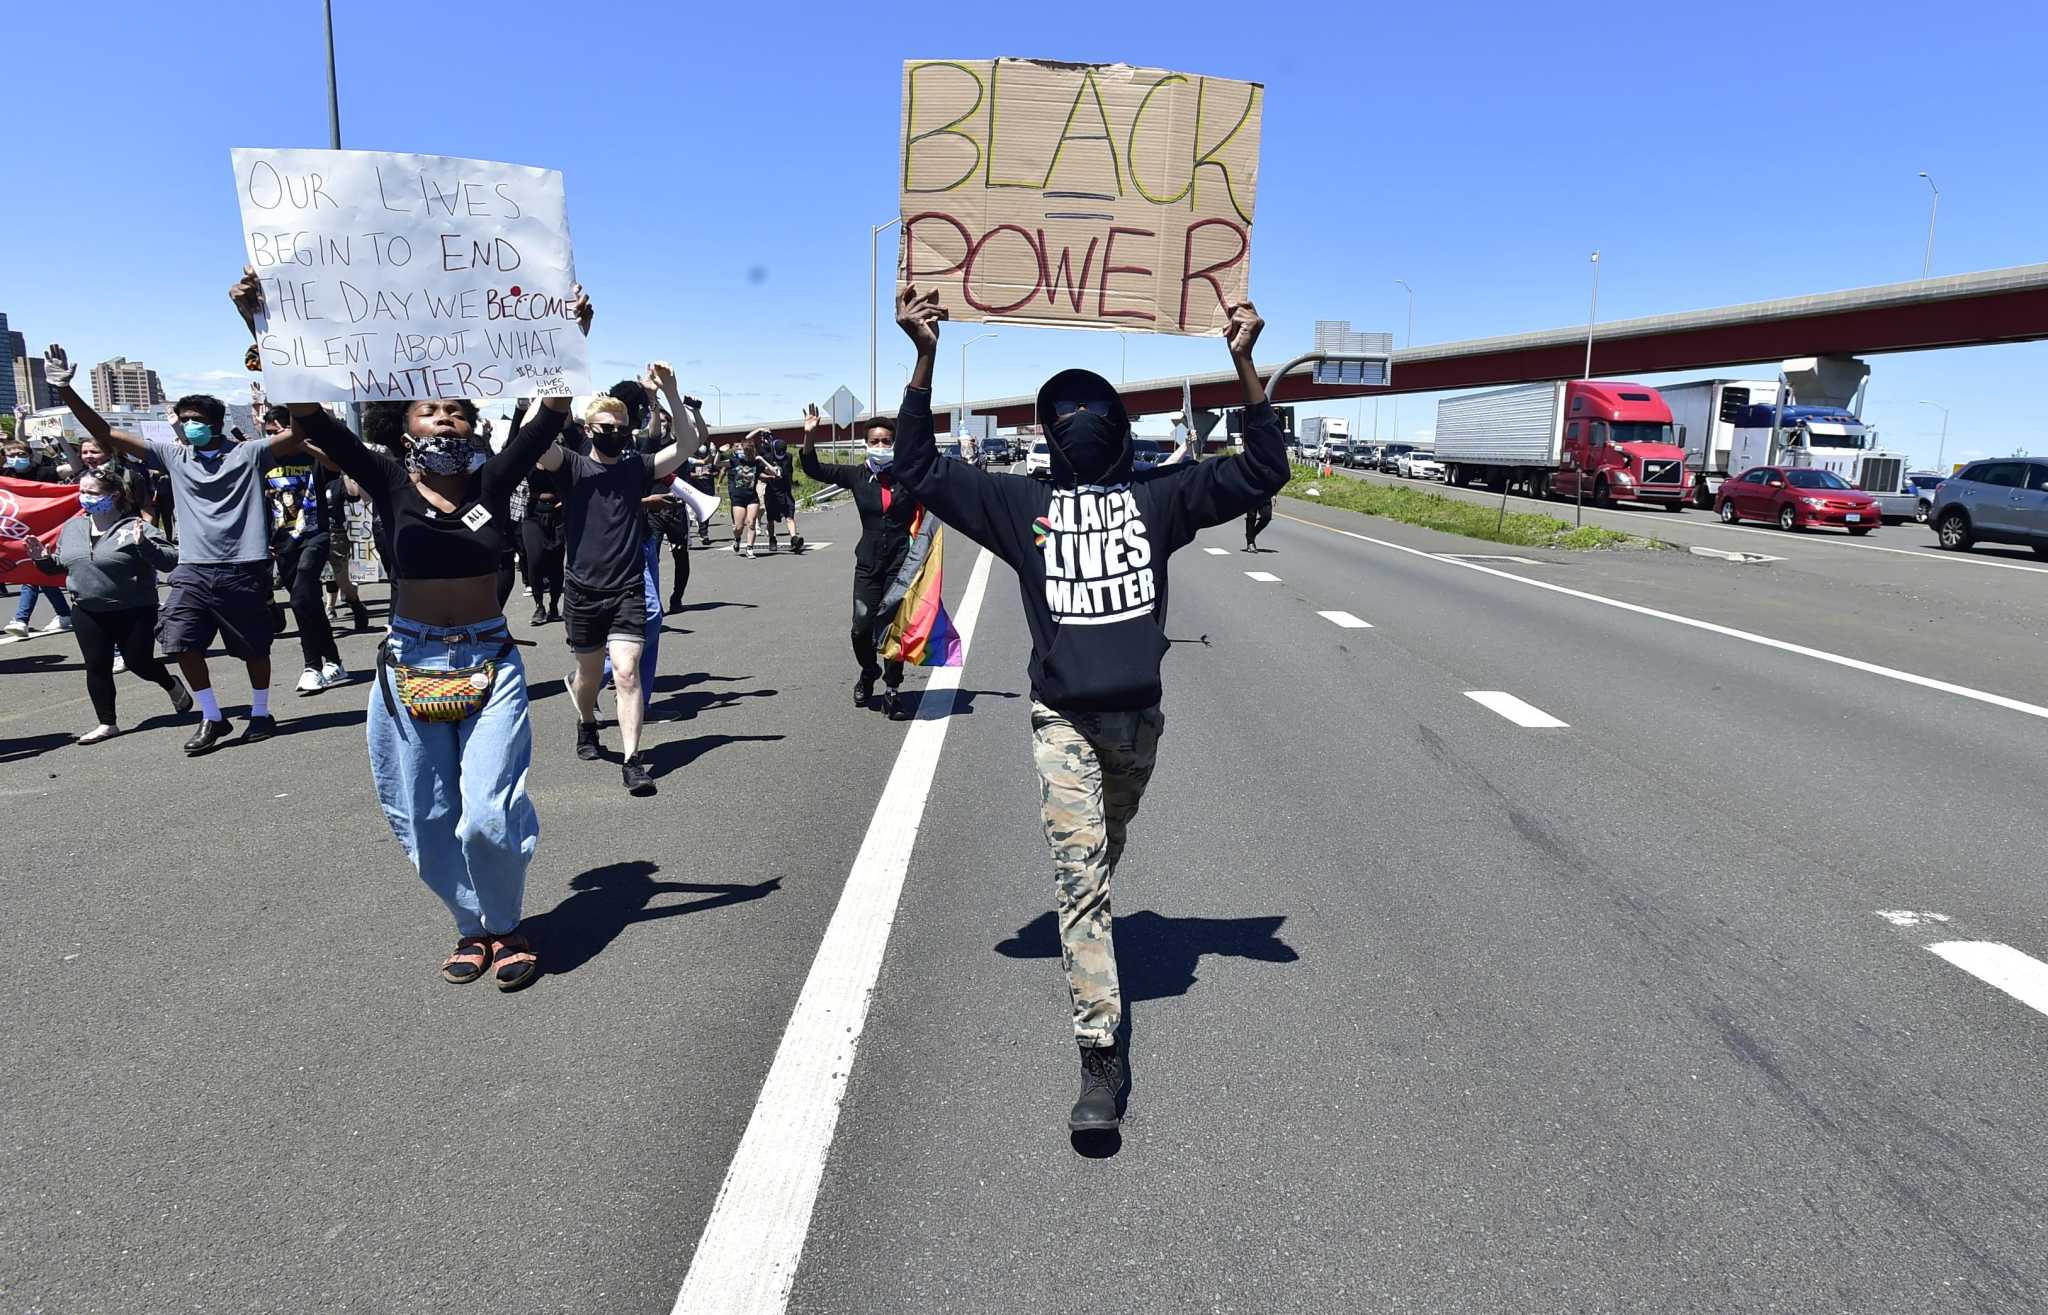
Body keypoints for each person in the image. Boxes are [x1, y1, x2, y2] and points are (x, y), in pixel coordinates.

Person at [890, 284, 1285, 1134]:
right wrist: (923, 358)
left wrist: (1244, 362)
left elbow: (1263, 470)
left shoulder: (1159, 501)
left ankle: (1095, 933)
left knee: (1102, 860)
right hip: (1061, 725)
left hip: (1138, 727)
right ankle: (1100, 1057)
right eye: (1065, 414)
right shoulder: (1020, 508)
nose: (1081, 424)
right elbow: (919, 468)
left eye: (1091, 411)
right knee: (1080, 882)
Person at [240, 267, 594, 991]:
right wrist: (263, 325)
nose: (446, 419)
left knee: (488, 813)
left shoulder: (495, 482)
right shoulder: (385, 479)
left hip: (490, 664)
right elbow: (312, 418)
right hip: (410, 665)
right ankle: (475, 925)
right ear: (402, 427)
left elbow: (552, 411)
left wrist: (569, 330)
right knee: (428, 816)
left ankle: (506, 921)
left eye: (459, 413)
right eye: (431, 411)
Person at [46, 345, 294, 753]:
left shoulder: (250, 454)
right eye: (184, 420)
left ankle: (261, 712)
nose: (188, 426)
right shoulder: (173, 456)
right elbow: (106, 433)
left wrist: (296, 375)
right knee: (179, 642)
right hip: (192, 569)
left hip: (243, 566)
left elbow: (301, 433)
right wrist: (65, 390)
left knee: (253, 647)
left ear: (216, 424)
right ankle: (213, 717)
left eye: (196, 420)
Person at [534, 392, 699, 795]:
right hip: (583, 591)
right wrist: (546, 384)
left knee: (626, 673)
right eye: (606, 428)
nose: (615, 434)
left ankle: (632, 760)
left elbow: (689, 444)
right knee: (589, 676)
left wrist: (671, 392)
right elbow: (536, 442)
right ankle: (587, 723)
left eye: (621, 428)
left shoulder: (637, 468)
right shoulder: (572, 466)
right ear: (590, 429)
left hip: (627, 588)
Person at [24, 462, 192, 742]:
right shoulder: (73, 527)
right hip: (87, 609)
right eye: (81, 491)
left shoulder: (135, 526)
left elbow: (169, 561)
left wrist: (144, 545)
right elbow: (61, 567)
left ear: (113, 495)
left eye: (91, 492)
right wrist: (42, 558)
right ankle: (107, 723)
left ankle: (171, 684)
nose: (85, 496)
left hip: (134, 608)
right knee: (97, 665)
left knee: (138, 662)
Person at [800, 404, 916, 720]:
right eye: (875, 441)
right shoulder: (857, 475)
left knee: (894, 631)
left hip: (901, 565)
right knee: (860, 629)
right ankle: (869, 671)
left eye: (886, 441)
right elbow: (813, 469)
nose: (881, 446)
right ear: (865, 444)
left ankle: (893, 691)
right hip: (867, 564)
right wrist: (809, 437)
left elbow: (943, 493)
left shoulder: (908, 477)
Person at [261, 407, 350, 694]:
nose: (272, 439)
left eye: (276, 433)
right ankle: (334, 661)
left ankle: (311, 666)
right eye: (268, 434)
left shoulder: (311, 454)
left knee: (300, 600)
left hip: (315, 536)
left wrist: (301, 442)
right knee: (308, 602)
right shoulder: (264, 458)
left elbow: (337, 466)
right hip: (281, 543)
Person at [3, 436, 74, 636]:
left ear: (30, 456)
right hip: (14, 533)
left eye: (21, 454)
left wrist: (62, 441)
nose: (16, 458)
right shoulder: (5, 475)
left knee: (31, 570)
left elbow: (73, 467)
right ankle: (64, 614)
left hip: (44, 533)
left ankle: (21, 619)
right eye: (11, 455)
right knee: (42, 575)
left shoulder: (43, 473)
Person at [727, 432, 766, 557]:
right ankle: (737, 539)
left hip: (752, 497)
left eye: (743, 449)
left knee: (751, 523)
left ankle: (750, 548)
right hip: (738, 498)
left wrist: (762, 459)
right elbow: (717, 463)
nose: (740, 451)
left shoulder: (756, 463)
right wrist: (717, 452)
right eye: (740, 449)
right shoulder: (735, 461)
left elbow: (771, 472)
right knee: (738, 527)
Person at [762, 436, 804, 553]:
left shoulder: (789, 457)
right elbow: (760, 472)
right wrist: (770, 475)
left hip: (785, 491)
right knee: (771, 518)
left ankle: (794, 539)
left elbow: (789, 472)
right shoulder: (767, 458)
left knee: (789, 516)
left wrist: (790, 484)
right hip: (772, 492)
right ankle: (772, 539)